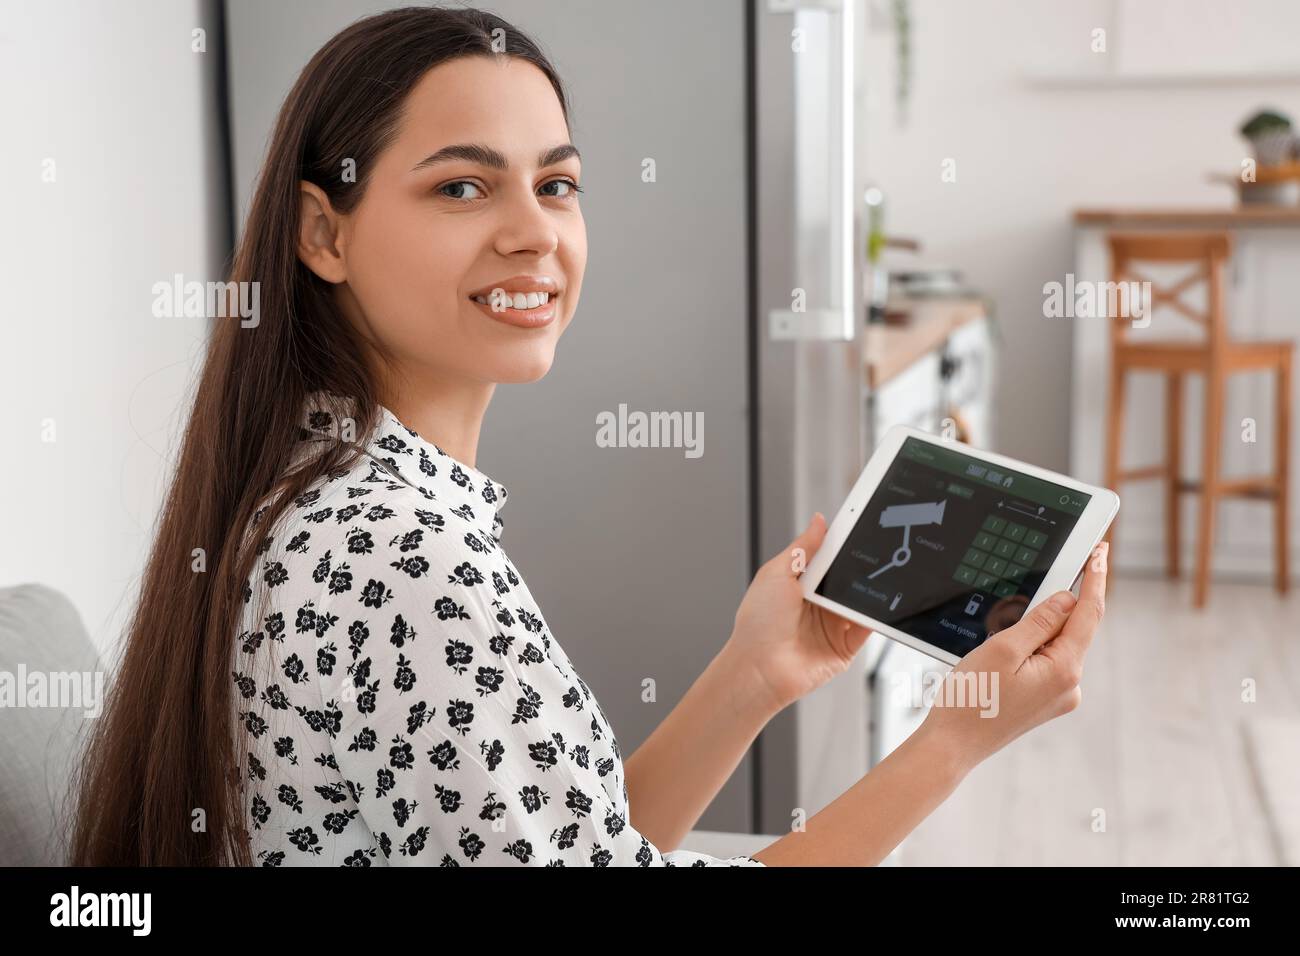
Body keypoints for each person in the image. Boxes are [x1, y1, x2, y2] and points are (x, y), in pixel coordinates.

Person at [69, 5, 1107, 867]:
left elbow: (572, 842)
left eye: (556, 182)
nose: (535, 230)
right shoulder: (402, 558)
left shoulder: (326, 481)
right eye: (462, 186)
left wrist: (754, 672)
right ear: (322, 234)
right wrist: (955, 739)